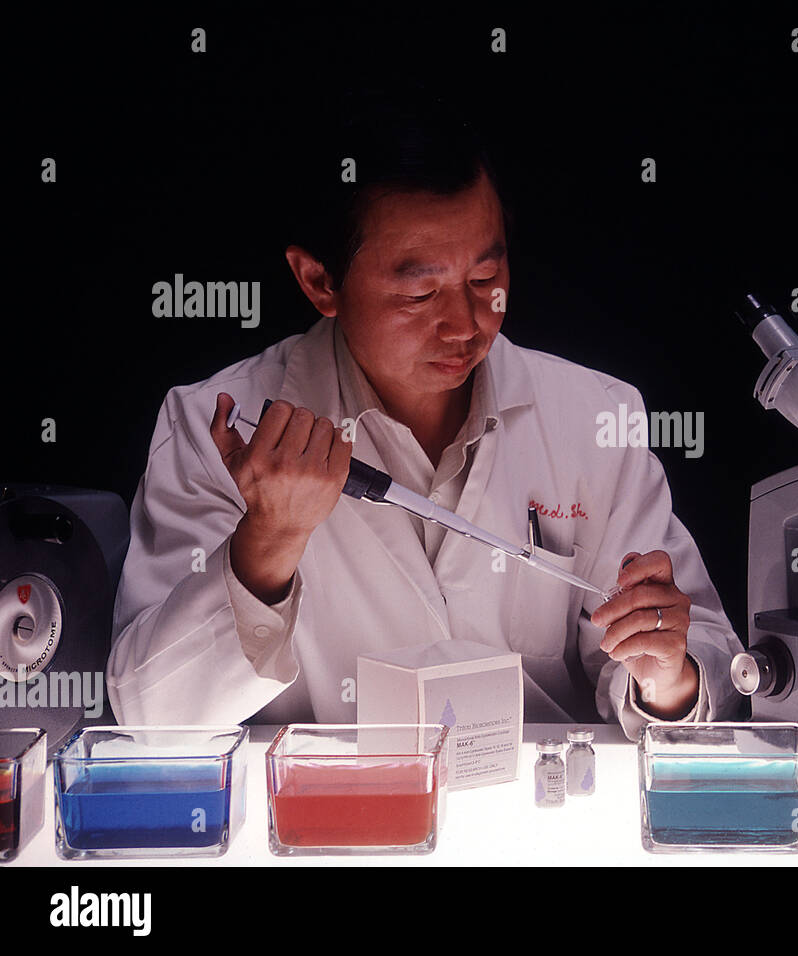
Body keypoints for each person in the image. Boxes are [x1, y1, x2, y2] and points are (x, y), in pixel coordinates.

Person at [106, 100, 742, 737]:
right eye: (419, 293)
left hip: (541, 819)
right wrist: (267, 543)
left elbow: (714, 672)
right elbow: (155, 721)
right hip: (326, 822)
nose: (466, 326)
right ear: (318, 281)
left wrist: (667, 680)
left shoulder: (597, 418)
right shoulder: (219, 428)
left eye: (485, 277)